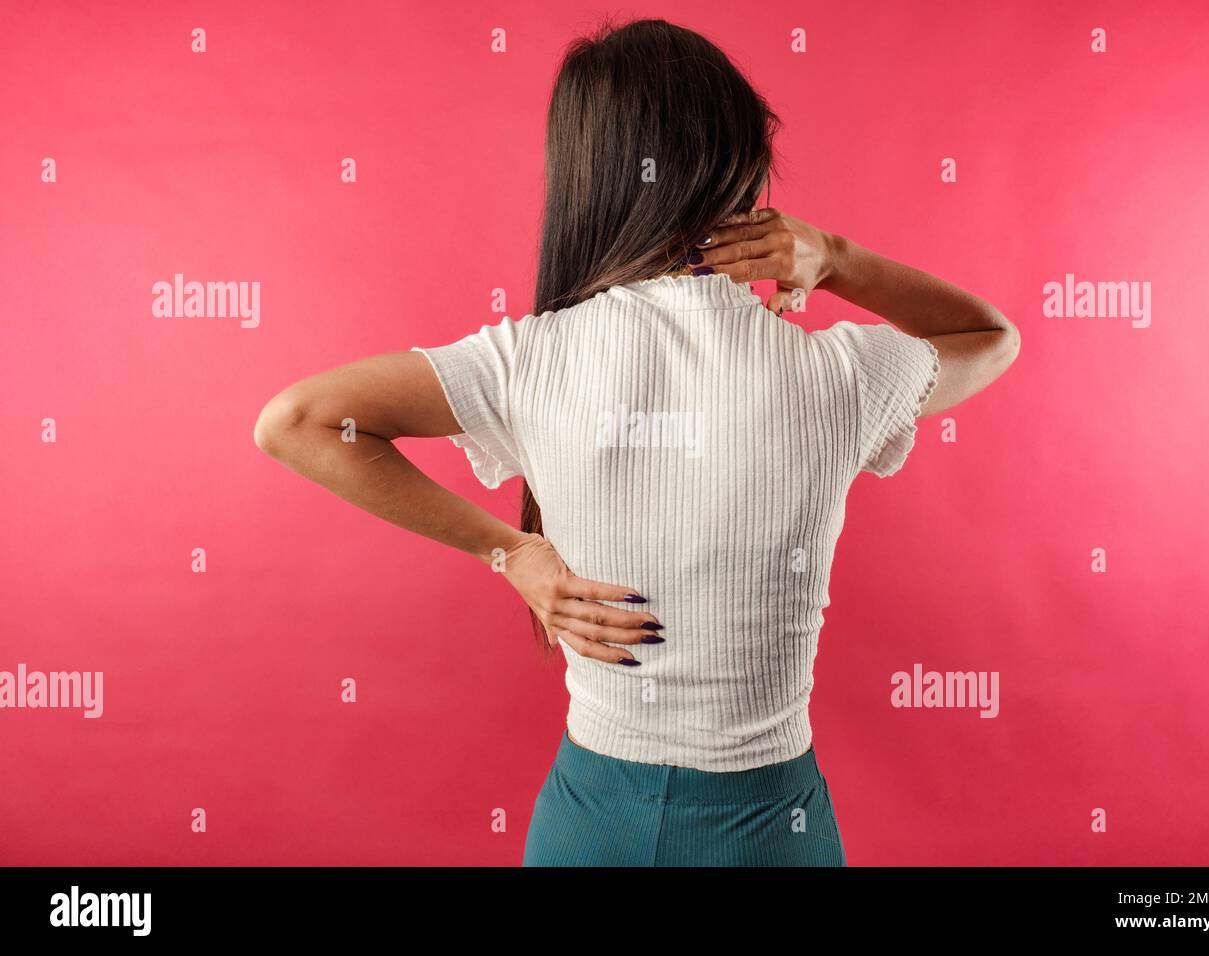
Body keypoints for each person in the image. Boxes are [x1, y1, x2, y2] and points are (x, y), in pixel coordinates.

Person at [253, 17, 1019, 866]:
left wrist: (509, 552)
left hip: (589, 822)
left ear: (588, 176)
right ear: (741, 166)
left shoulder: (529, 360)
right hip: (770, 829)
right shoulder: (837, 374)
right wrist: (833, 258)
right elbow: (989, 338)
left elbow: (293, 421)